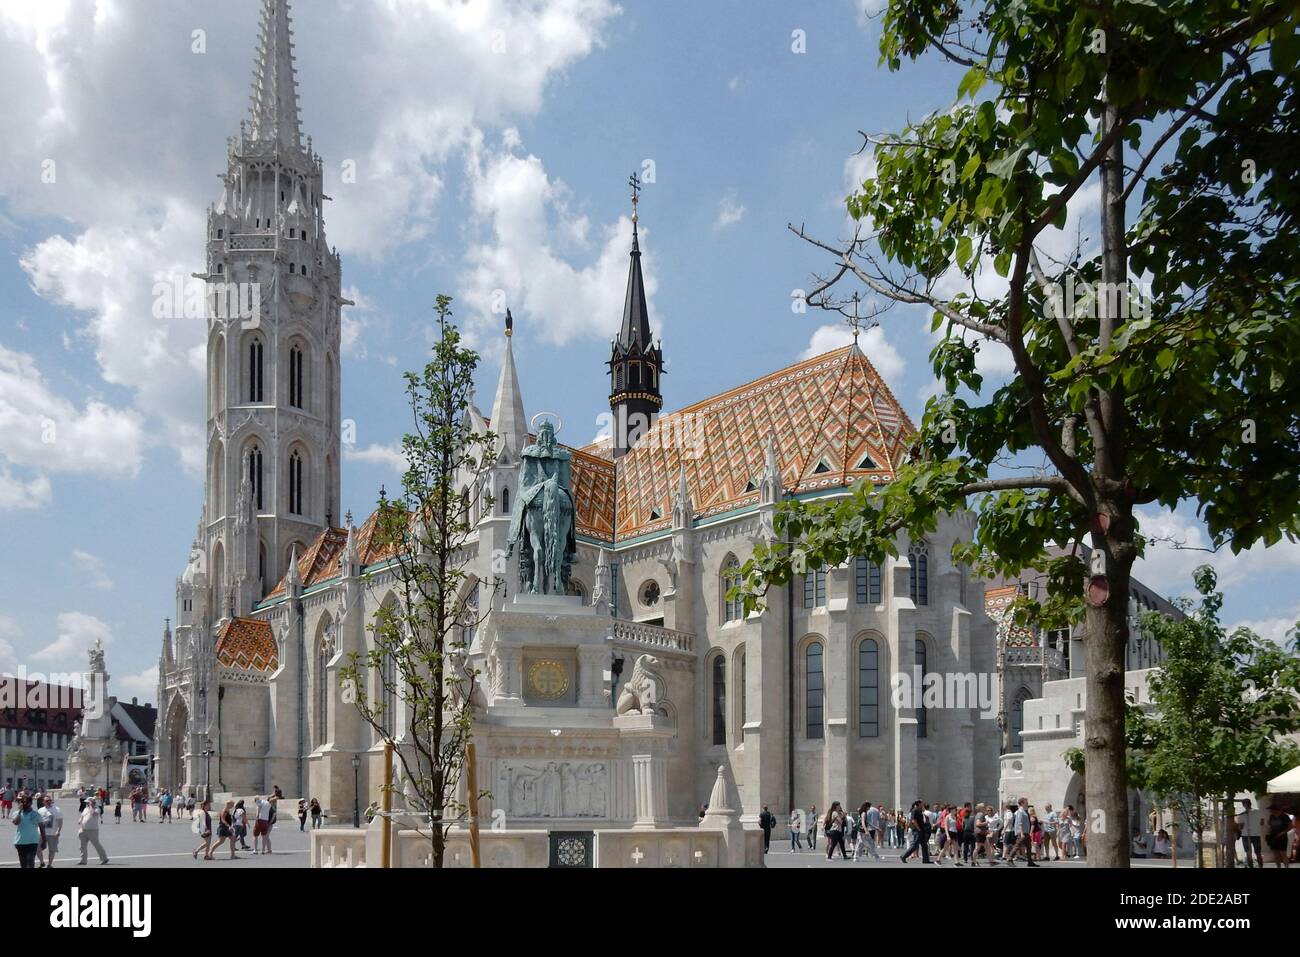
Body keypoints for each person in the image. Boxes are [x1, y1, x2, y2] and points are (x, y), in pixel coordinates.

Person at [11, 792, 44, 869]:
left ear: (31, 803)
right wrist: (20, 811)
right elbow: (16, 822)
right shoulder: (16, 813)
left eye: (26, 802)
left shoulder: (36, 814)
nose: (24, 804)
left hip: (32, 842)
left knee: (30, 862)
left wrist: (44, 840)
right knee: (23, 864)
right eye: (23, 802)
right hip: (20, 842)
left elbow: (42, 828)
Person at [77, 799, 108, 866]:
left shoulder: (97, 809)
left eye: (88, 803)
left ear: (93, 803)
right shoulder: (85, 809)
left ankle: (104, 858)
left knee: (96, 845)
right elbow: (82, 816)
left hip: (92, 830)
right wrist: (80, 820)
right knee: (82, 846)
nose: (87, 804)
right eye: (87, 803)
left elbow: (92, 814)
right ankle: (83, 860)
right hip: (83, 829)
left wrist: (91, 806)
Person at [37, 794, 63, 868]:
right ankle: (41, 862)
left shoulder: (57, 809)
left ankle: (50, 864)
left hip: (53, 833)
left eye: (50, 800)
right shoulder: (40, 810)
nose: (49, 802)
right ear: (43, 802)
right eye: (47, 801)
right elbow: (37, 821)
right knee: (37, 848)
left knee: (52, 850)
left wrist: (58, 831)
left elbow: (60, 821)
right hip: (41, 833)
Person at [1236, 799, 1262, 868]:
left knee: (1248, 852)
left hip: (1246, 835)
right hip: (1256, 834)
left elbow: (1240, 827)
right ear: (1250, 804)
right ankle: (1260, 866)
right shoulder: (1258, 812)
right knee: (1258, 853)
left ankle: (1251, 866)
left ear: (1244, 805)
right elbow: (1262, 823)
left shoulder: (1241, 815)